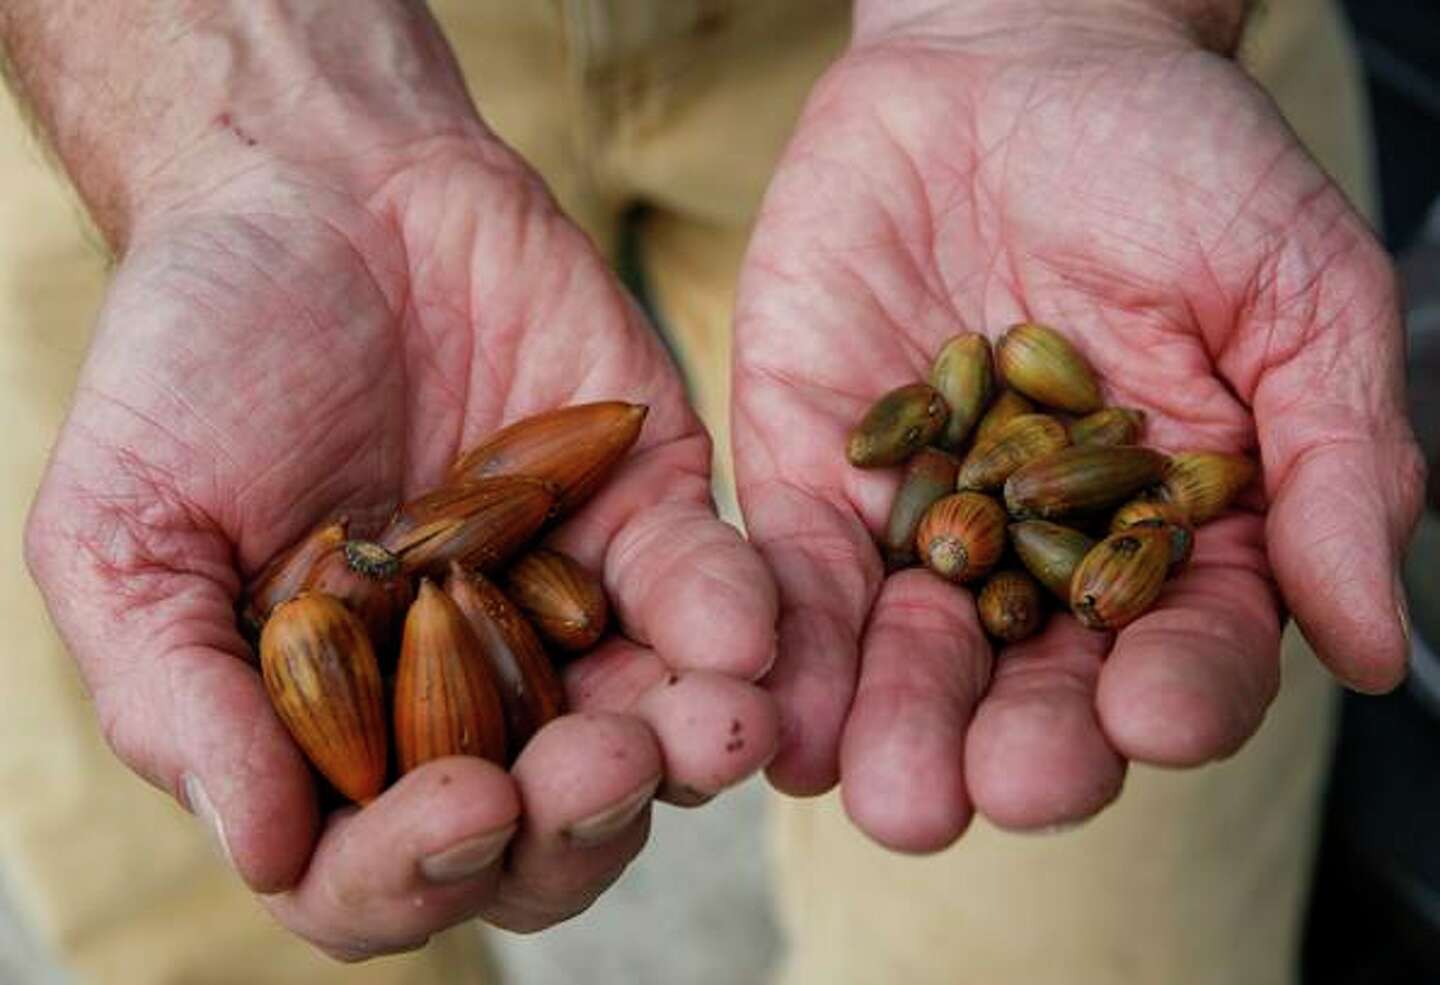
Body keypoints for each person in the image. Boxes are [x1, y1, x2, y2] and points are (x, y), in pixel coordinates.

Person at [0, 1, 1423, 983]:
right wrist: (220, 112)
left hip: (1000, 61)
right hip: (194, 65)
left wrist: (1074, 22)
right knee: (218, 926)